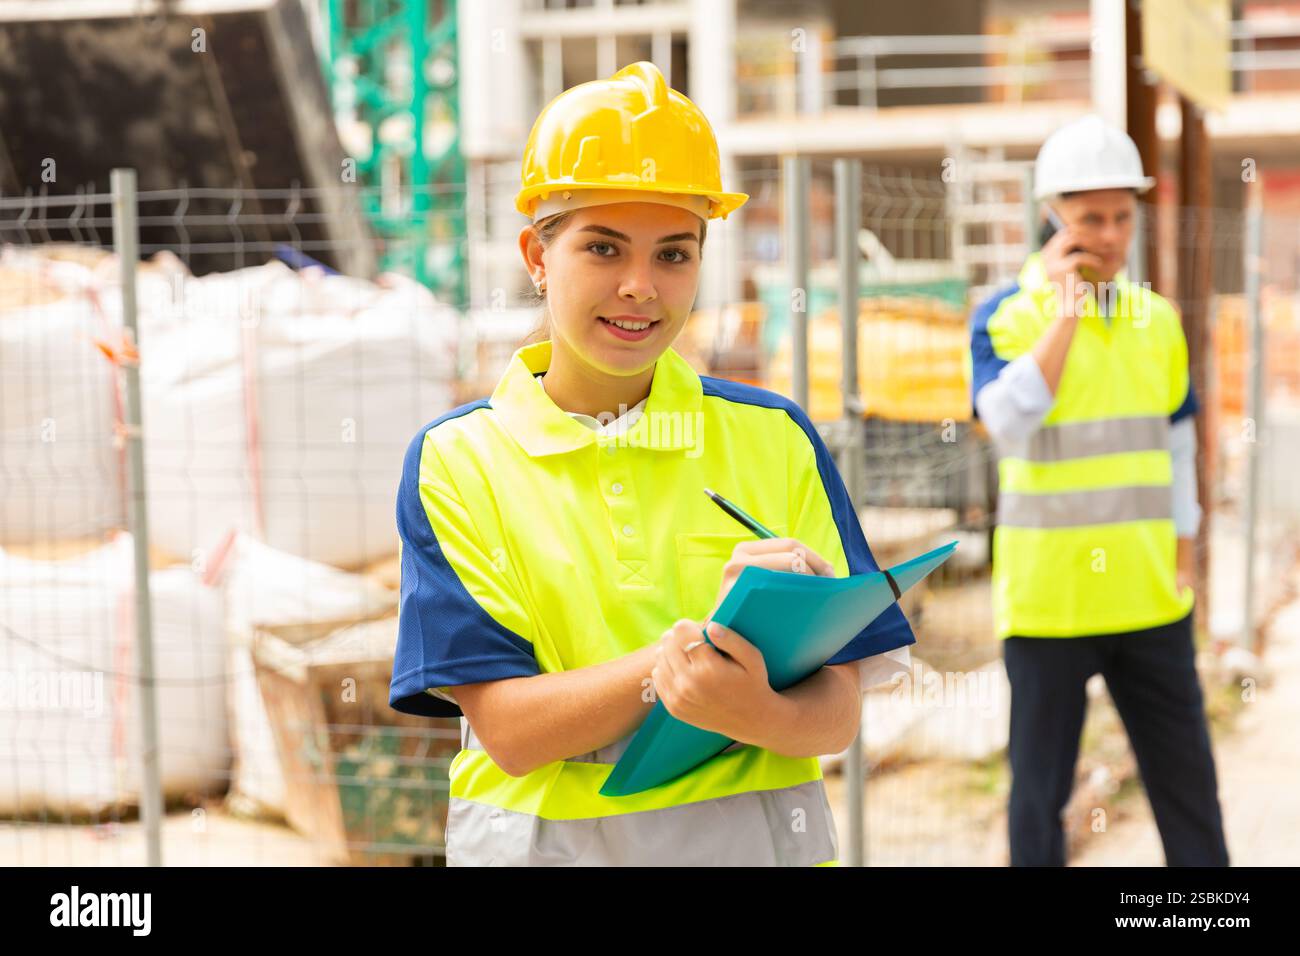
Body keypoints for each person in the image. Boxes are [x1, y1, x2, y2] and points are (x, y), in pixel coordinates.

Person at [388, 62, 914, 866]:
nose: (640, 287)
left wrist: (757, 709)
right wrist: (689, 663)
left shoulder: (773, 438)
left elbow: (837, 712)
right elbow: (512, 731)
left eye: (674, 255)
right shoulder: (460, 463)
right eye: (603, 248)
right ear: (536, 253)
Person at [968, 114, 1229, 866]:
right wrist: (1067, 316)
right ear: (1054, 217)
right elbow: (1005, 425)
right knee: (1037, 798)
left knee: (1189, 791)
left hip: (1150, 602)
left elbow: (1180, 450)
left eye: (1122, 216)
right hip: (1049, 607)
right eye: (1091, 218)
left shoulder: (1157, 322)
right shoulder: (1007, 317)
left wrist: (1184, 554)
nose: (1111, 234)